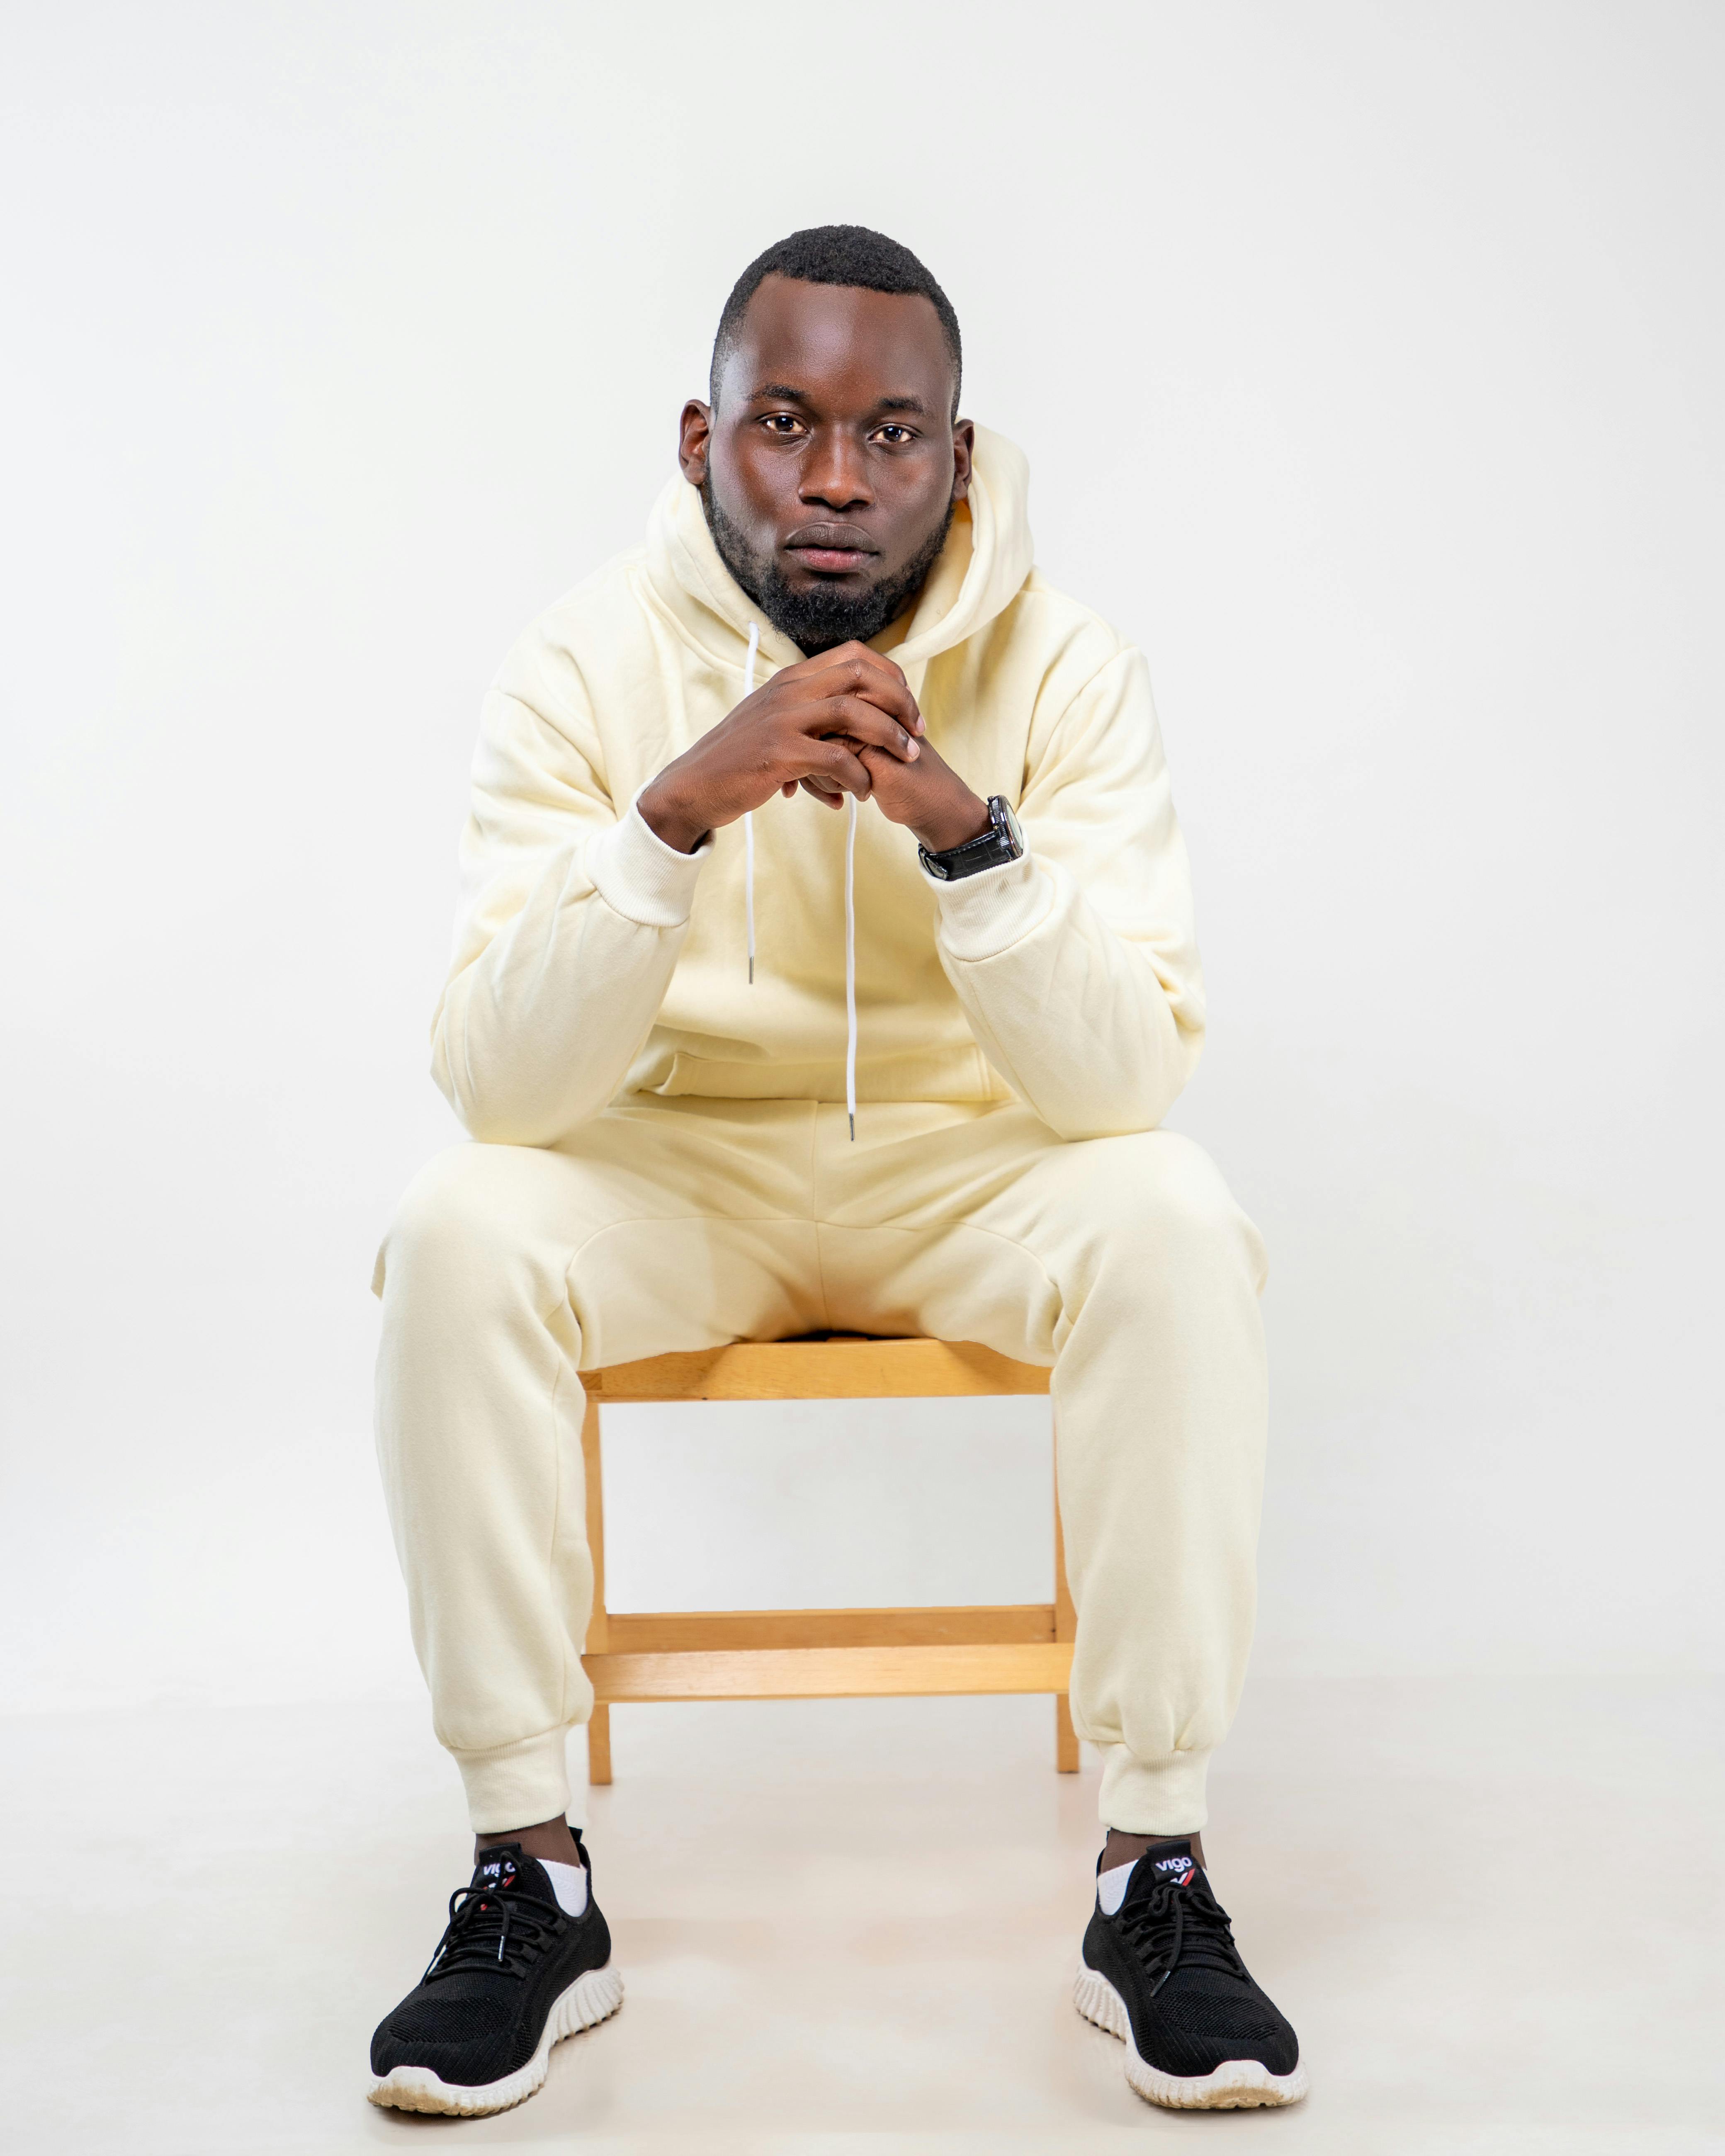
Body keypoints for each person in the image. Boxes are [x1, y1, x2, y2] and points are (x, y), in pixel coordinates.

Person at [365, 224, 1306, 2118]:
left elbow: (1123, 1086)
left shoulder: (1070, 667)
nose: (833, 478)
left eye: (891, 433)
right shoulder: (577, 662)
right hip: (673, 1170)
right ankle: (528, 1872)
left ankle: (1155, 1867)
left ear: (956, 453)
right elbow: (502, 1093)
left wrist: (968, 836)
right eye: (784, 421)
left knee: (1179, 1220)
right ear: (699, 436)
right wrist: (669, 817)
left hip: (974, 1167)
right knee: (457, 1231)